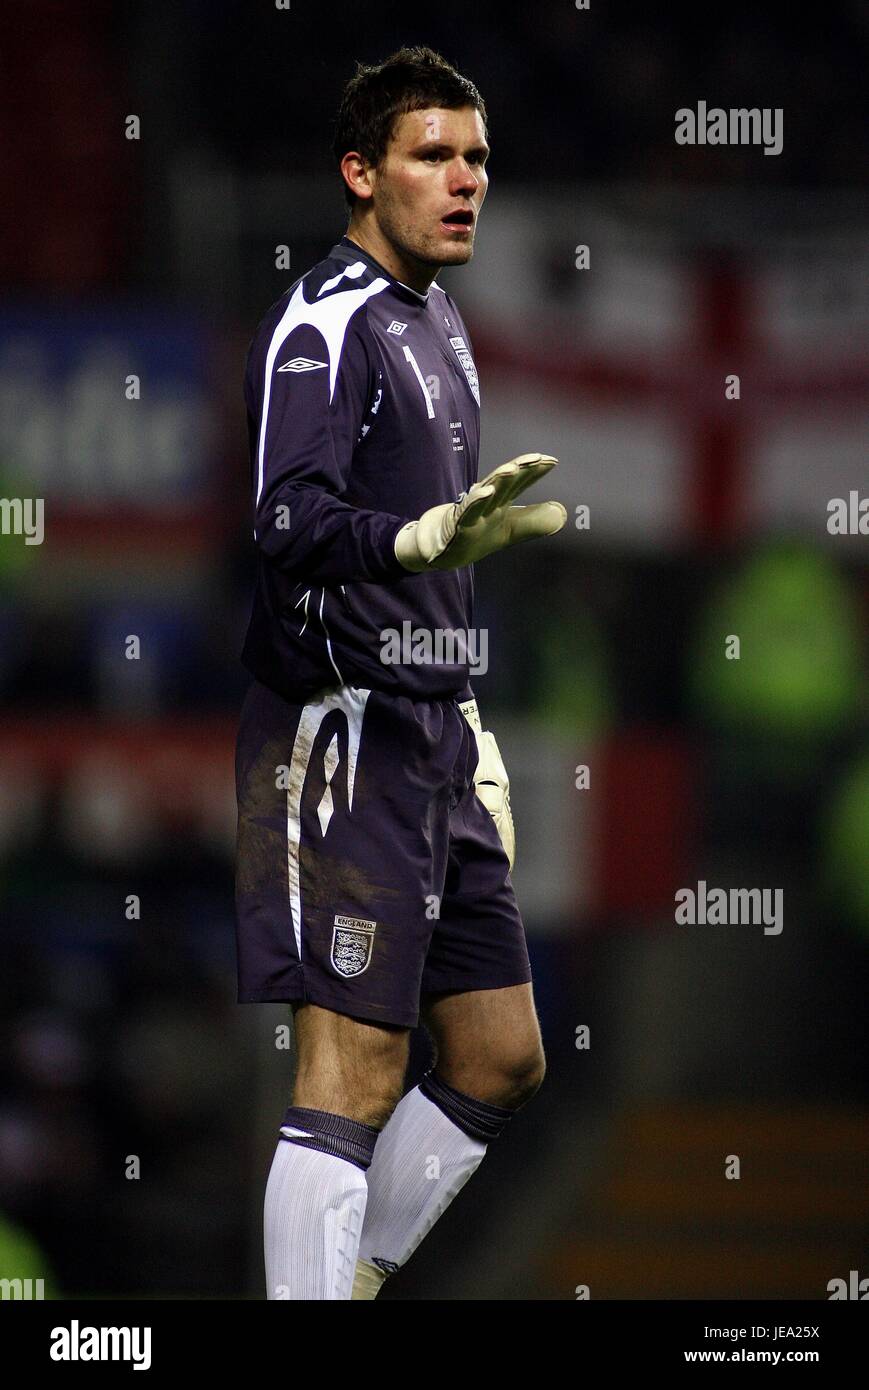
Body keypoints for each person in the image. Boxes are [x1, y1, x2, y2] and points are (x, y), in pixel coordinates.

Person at [234, 45, 566, 1300]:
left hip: (433, 730)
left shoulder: (438, 318)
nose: (463, 179)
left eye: (475, 156)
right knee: (352, 1074)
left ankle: (345, 1281)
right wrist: (409, 539)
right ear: (360, 173)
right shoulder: (326, 321)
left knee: (498, 1054)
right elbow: (283, 519)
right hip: (343, 732)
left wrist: (466, 707)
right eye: (432, 156)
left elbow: (436, 561)